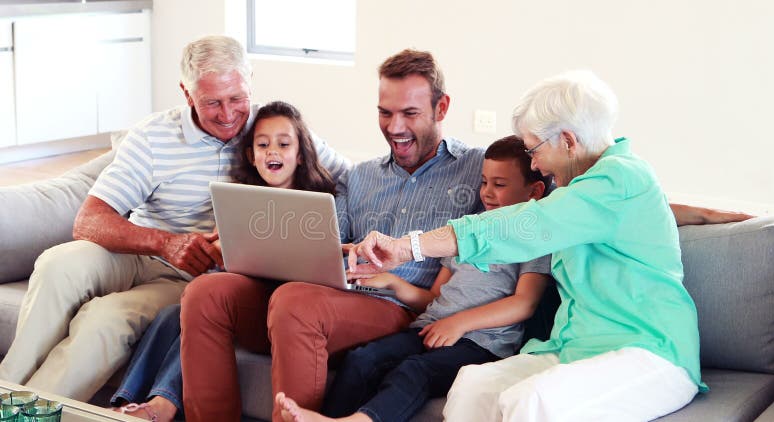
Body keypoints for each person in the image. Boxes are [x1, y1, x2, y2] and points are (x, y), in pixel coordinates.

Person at [346, 70, 721, 421]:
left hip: (650, 354)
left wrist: (409, 246)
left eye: (534, 150)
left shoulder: (620, 178)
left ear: (569, 141)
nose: (536, 165)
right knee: (472, 385)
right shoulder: (587, 193)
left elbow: (525, 224)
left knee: (531, 400)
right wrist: (706, 214)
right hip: (573, 349)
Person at [0, 35, 349, 402]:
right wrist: (164, 243)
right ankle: (7, 387)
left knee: (107, 317)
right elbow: (88, 221)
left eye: (237, 99)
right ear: (187, 93)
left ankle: (30, 408)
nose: (228, 114)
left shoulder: (271, 131)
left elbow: (352, 181)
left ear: (250, 81)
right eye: (212, 102)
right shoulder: (154, 136)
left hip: (191, 278)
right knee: (58, 263)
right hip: (137, 253)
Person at [179, 48, 486, 422]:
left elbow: (523, 201)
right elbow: (318, 246)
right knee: (206, 293)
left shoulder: (479, 169)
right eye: (385, 113)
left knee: (296, 301)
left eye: (410, 113)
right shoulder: (359, 177)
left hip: (400, 309)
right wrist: (245, 241)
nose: (395, 127)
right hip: (332, 298)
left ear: (442, 109)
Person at [275, 136, 554, 422]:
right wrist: (393, 283)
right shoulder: (466, 230)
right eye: (484, 182)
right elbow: (434, 297)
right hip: (431, 327)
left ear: (534, 191)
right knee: (362, 360)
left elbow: (525, 303)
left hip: (482, 344)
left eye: (500, 184)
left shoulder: (532, 237)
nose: (487, 193)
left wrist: (460, 322)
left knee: (413, 371)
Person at [108, 101, 336, 421]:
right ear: (251, 155)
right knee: (172, 315)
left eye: (284, 145)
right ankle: (126, 402)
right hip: (242, 297)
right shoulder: (240, 199)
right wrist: (223, 246)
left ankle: (163, 404)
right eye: (263, 145)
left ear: (300, 154)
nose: (273, 152)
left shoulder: (321, 201)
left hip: (286, 310)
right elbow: (223, 265)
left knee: (208, 308)